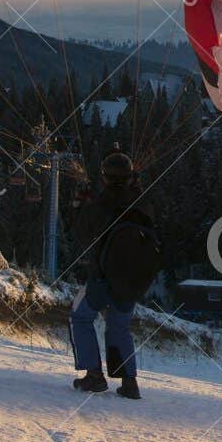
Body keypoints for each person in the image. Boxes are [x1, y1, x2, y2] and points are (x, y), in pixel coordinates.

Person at [69, 150, 159, 399]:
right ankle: (129, 382)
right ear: (130, 177)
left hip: (103, 278)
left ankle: (94, 375)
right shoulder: (144, 205)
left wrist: (79, 205)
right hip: (132, 281)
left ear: (105, 178)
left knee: (80, 317)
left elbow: (81, 234)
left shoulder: (99, 205)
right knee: (119, 326)